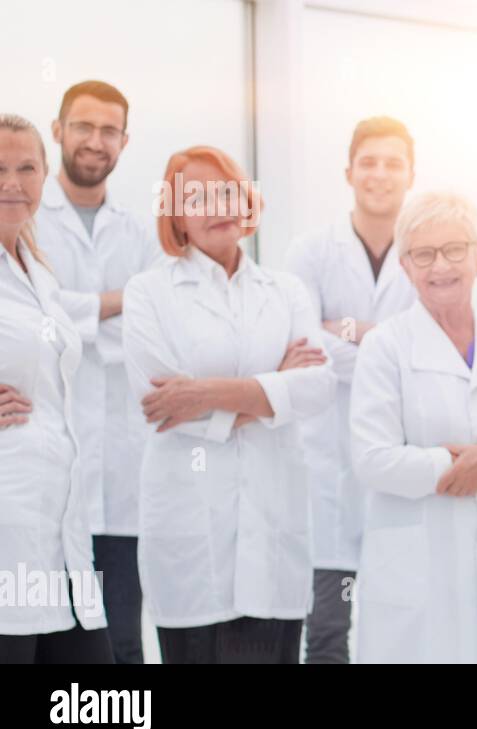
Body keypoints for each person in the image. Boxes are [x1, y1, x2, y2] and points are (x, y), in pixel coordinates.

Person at [122, 145, 336, 663]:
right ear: (176, 215)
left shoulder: (285, 291)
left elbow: (317, 386)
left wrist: (202, 392)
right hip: (192, 536)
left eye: (226, 191)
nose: (216, 206)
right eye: (195, 197)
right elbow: (160, 404)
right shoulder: (148, 292)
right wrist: (272, 391)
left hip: (273, 528)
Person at [350, 192, 477, 663]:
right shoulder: (386, 347)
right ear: (405, 266)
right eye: (424, 254)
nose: (440, 265)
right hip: (418, 573)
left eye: (454, 250)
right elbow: (373, 460)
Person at [34, 80, 159, 665]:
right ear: (58, 132)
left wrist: (72, 309)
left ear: (124, 142)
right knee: (44, 637)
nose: (94, 140)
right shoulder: (26, 221)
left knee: (124, 642)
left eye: (109, 130)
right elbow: (37, 316)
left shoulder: (141, 234)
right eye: (82, 126)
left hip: (122, 476)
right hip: (42, 481)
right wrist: (116, 302)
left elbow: (155, 329)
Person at [286, 116, 416, 663]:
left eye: (393, 164)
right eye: (369, 162)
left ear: (411, 175)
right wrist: (387, 344)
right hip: (325, 469)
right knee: (327, 632)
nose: (380, 175)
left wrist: (348, 331)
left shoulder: (426, 252)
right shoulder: (311, 250)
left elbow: (427, 352)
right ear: (348, 172)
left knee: (403, 630)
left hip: (401, 467)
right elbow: (300, 345)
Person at [0, 113, 111, 663]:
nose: (11, 183)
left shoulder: (37, 271)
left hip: (60, 529)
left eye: (26, 167)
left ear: (45, 175)